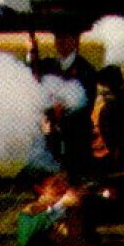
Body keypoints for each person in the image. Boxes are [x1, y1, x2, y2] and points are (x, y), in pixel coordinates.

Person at [31, 21, 98, 179]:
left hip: (76, 139)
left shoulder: (86, 70)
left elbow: (84, 106)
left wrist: (57, 115)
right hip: (52, 139)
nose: (59, 42)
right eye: (57, 38)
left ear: (75, 41)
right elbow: (31, 78)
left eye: (65, 38)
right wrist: (31, 53)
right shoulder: (49, 66)